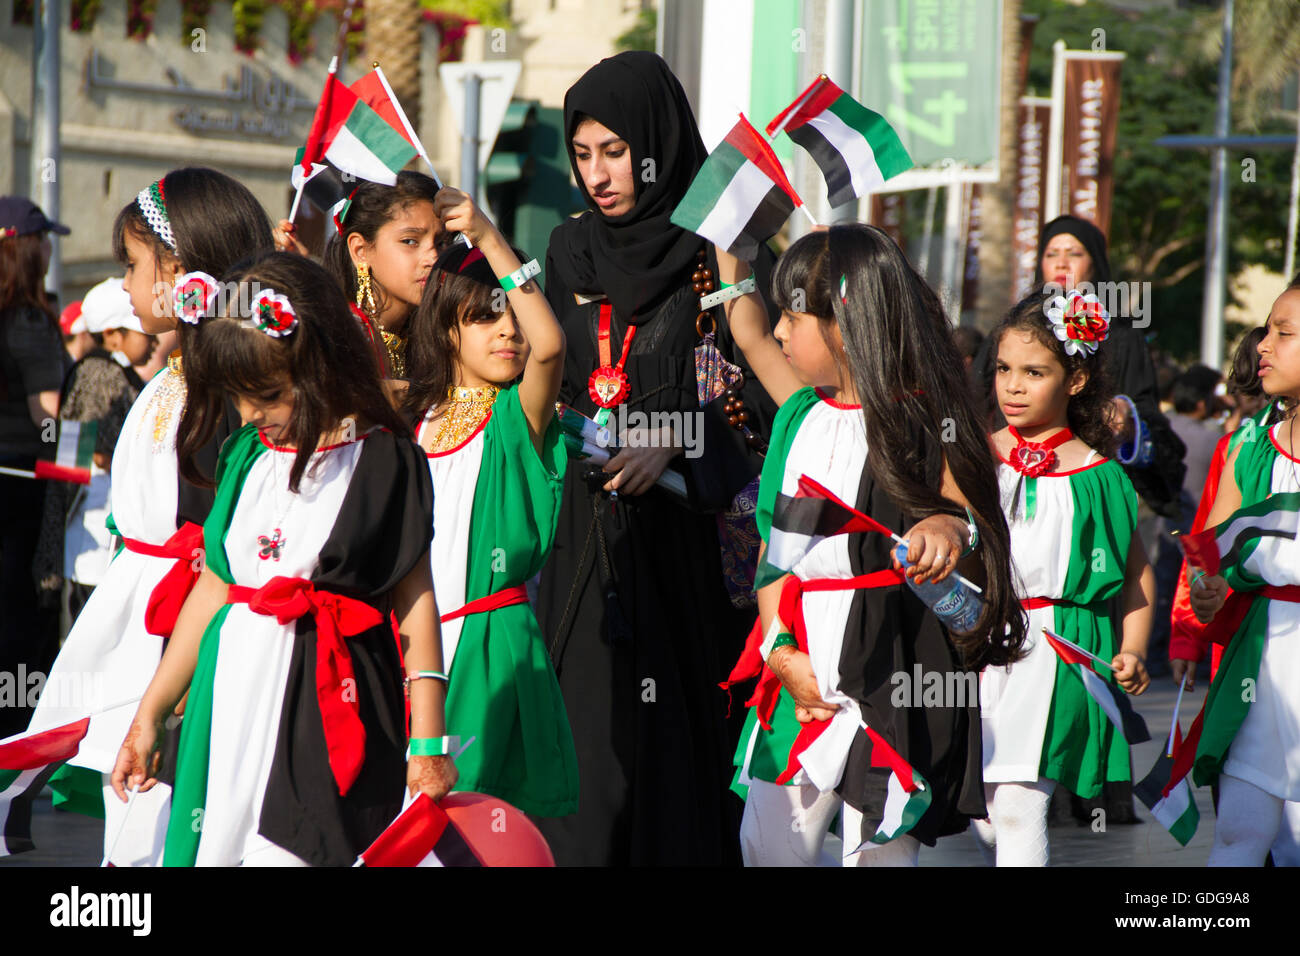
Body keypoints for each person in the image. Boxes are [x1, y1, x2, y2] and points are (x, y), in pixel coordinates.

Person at [111, 252, 456, 866]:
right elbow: (213, 591)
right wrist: (150, 715)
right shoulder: (247, 454)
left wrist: (428, 741)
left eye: (267, 394)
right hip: (233, 693)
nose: (249, 415)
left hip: (330, 702)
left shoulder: (385, 461)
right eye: (237, 398)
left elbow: (416, 603)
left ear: (319, 362)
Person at [715, 224, 1026, 866]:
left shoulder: (923, 417)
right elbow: (778, 551)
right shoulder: (799, 410)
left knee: (879, 851)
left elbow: (968, 515)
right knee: (768, 845)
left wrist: (945, 528)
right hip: (796, 652)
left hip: (892, 657)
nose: (778, 332)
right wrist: (779, 651)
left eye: (794, 315)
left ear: (846, 321)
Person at [535, 51, 776, 866]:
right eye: (583, 153)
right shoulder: (565, 256)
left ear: (657, 145)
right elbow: (543, 378)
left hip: (686, 539)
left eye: (616, 152)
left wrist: (676, 433)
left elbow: (765, 399)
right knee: (590, 738)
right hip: (585, 528)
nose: (599, 174)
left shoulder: (717, 248)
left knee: (674, 742)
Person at [10, 168, 273, 865]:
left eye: (133, 265)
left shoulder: (223, 393)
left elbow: (219, 544)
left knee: (169, 830)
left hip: (183, 642)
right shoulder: (175, 378)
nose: (125, 288)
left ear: (180, 270)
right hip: (146, 630)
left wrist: (172, 693)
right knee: (135, 834)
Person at [402, 187, 577, 817]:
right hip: (410, 651)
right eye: (483, 316)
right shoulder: (412, 421)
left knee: (465, 824)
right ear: (446, 328)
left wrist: (489, 237)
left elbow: (550, 344)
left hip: (487, 643)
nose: (508, 329)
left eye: (512, 315)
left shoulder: (516, 416)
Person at [972, 290, 1152, 866]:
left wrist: (1133, 647)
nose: (1013, 386)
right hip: (971, 645)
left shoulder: (1101, 478)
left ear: (1075, 380)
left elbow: (1134, 573)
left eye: (1034, 372)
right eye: (1003, 369)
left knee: (1021, 806)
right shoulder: (973, 458)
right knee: (983, 812)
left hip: (1055, 648)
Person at [1187, 279, 1300, 865]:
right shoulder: (1248, 447)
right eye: (1267, 330)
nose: (1263, 345)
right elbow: (1216, 554)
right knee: (1239, 834)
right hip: (1257, 666)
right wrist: (1210, 592)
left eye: (1284, 334)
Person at [35, 278, 153, 624]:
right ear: (113, 334)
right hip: (94, 535)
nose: (154, 337)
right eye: (139, 331)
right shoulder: (98, 374)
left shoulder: (117, 373)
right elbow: (75, 456)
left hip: (106, 535)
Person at [0, 196, 67, 738]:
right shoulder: (27, 319)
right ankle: (15, 736)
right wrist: (76, 451)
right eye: (43, 239)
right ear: (26, 248)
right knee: (19, 611)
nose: (49, 249)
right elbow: (47, 417)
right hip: (19, 480)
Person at [323, 171, 443, 378]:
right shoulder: (334, 339)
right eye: (410, 241)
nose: (433, 257)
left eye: (441, 243)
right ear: (360, 251)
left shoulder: (440, 340)